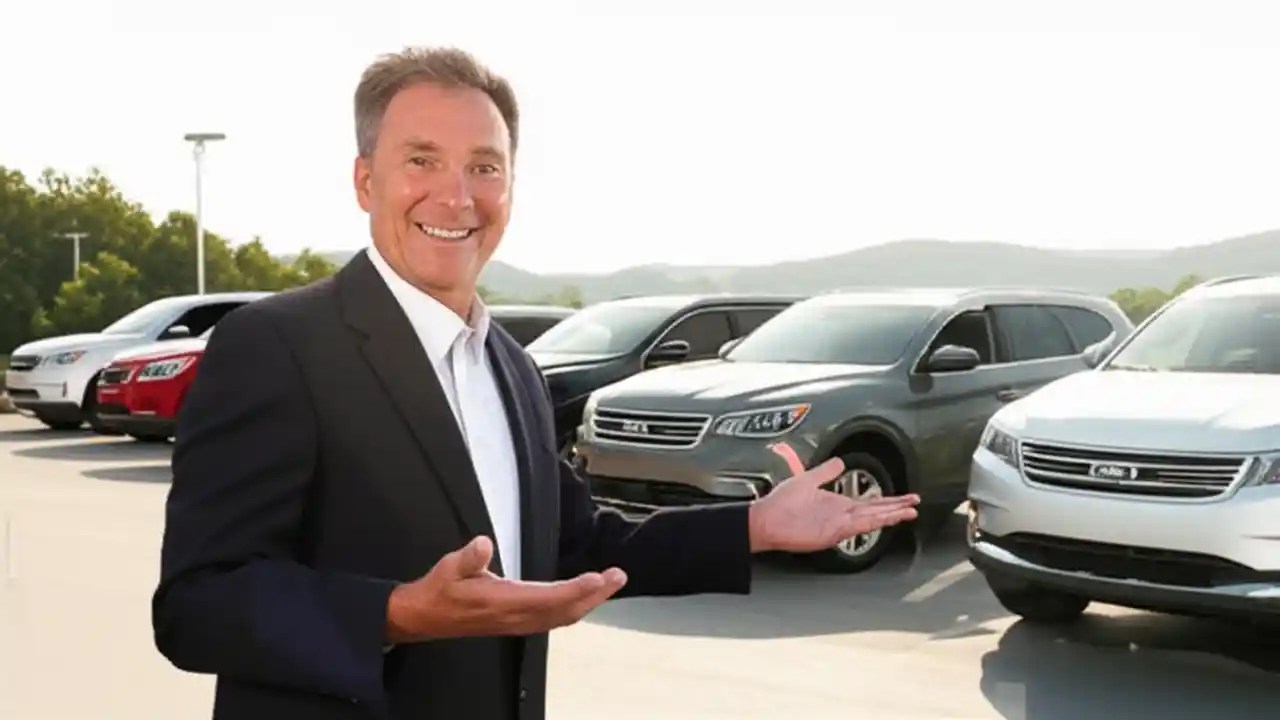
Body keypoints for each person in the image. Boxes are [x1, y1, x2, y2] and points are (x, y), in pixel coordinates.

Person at [150, 46, 921, 720]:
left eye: (484, 167)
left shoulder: (511, 366)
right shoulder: (278, 345)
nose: (456, 197)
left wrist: (754, 526)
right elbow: (196, 605)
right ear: (364, 180)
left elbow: (576, 543)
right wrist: (396, 614)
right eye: (421, 160)